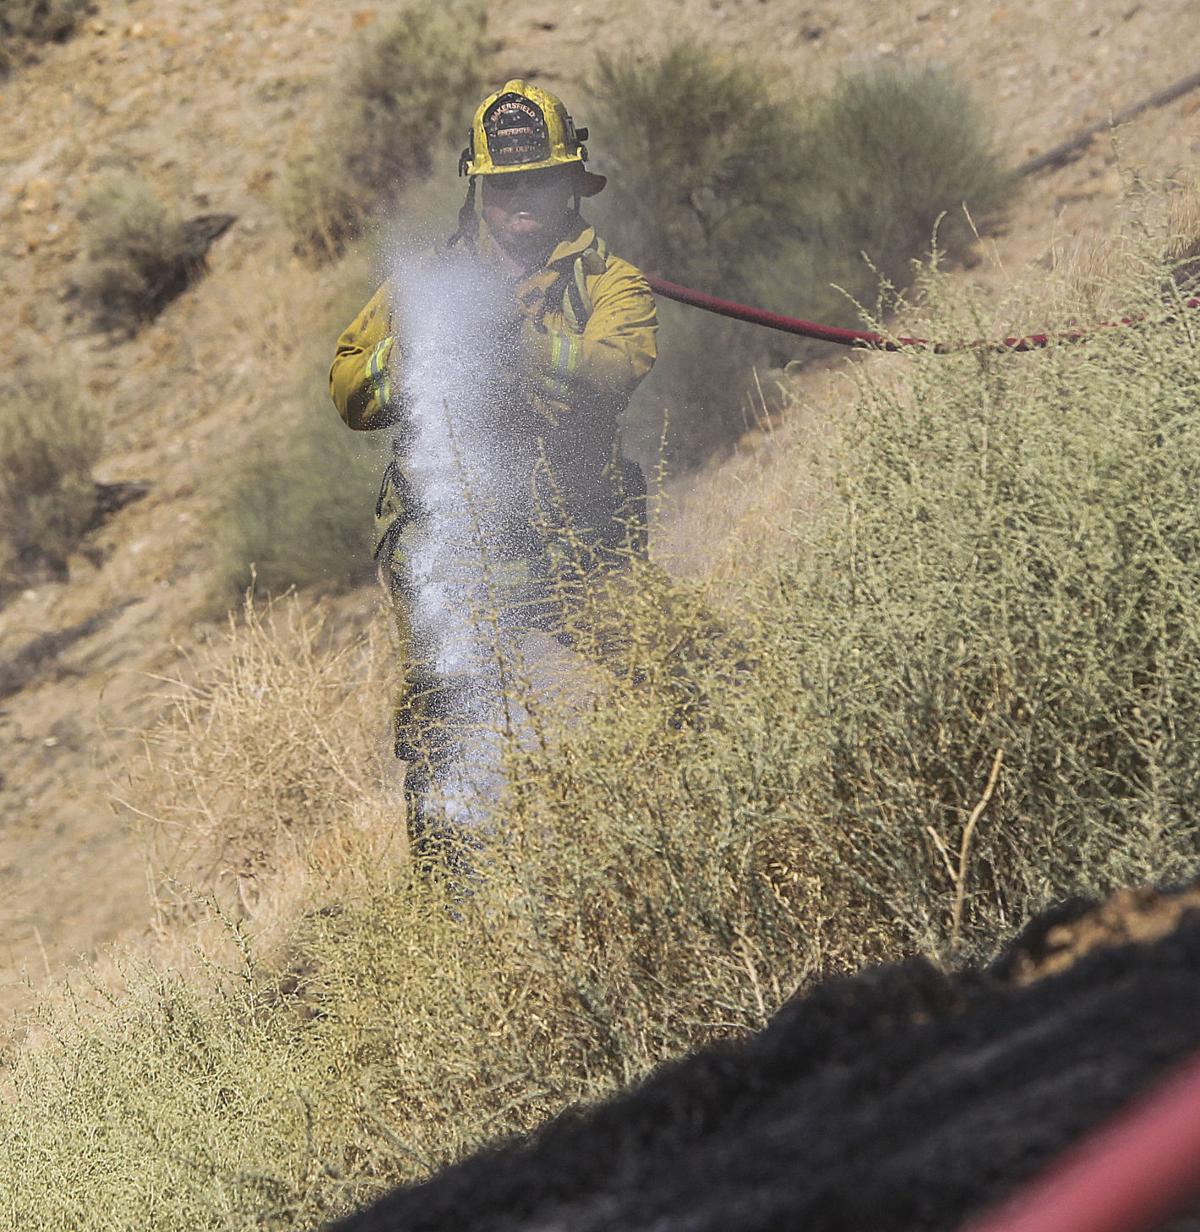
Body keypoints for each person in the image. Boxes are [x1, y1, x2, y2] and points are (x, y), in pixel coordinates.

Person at [328, 80, 658, 851]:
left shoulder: (612, 285)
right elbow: (348, 389)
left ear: (571, 184)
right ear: (480, 187)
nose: (520, 199)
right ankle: (453, 906)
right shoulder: (429, 289)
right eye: (504, 183)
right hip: (461, 556)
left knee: (688, 670)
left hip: (580, 547)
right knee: (448, 728)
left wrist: (514, 344)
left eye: (538, 180)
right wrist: (419, 353)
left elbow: (618, 366)